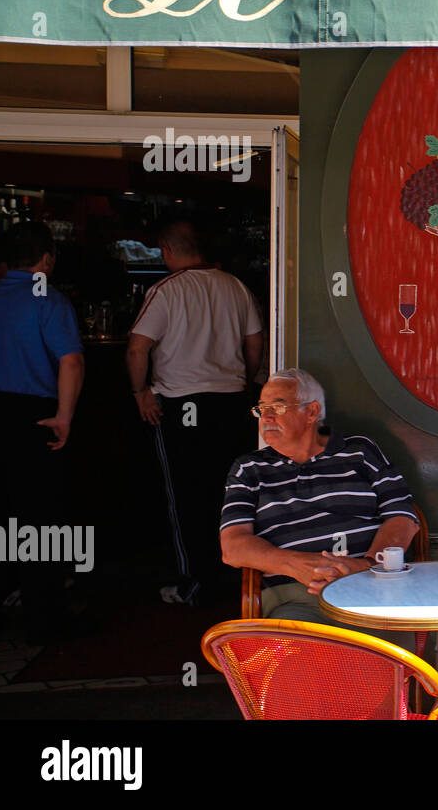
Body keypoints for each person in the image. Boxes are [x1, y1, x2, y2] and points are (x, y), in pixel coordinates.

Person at [126, 218, 263, 605]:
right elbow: (255, 344)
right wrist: (245, 383)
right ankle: (235, 578)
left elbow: (137, 348)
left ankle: (195, 584)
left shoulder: (166, 290)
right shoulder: (235, 286)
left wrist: (140, 393)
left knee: (186, 496)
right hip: (231, 402)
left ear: (167, 251)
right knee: (230, 493)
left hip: (182, 405)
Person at [219, 369, 419, 631]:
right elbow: (233, 547)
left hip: (373, 593)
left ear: (312, 412)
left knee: (382, 656)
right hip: (296, 598)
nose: (265, 417)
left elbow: (403, 517)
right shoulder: (249, 468)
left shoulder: (359, 451)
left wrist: (366, 567)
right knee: (305, 657)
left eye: (278, 407)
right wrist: (297, 565)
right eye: (261, 408)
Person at [0, 223, 84, 641]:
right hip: (34, 417)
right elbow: (71, 362)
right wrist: (64, 416)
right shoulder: (48, 297)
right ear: (46, 258)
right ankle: (43, 617)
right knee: (39, 520)